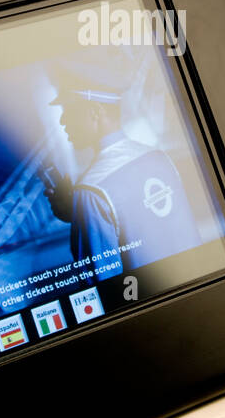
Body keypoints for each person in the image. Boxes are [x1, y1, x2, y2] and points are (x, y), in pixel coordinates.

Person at [44, 58, 201, 279]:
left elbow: (100, 283)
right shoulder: (160, 159)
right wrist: (80, 217)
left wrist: (83, 215)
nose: (62, 120)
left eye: (68, 109)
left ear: (95, 111)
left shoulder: (91, 190)